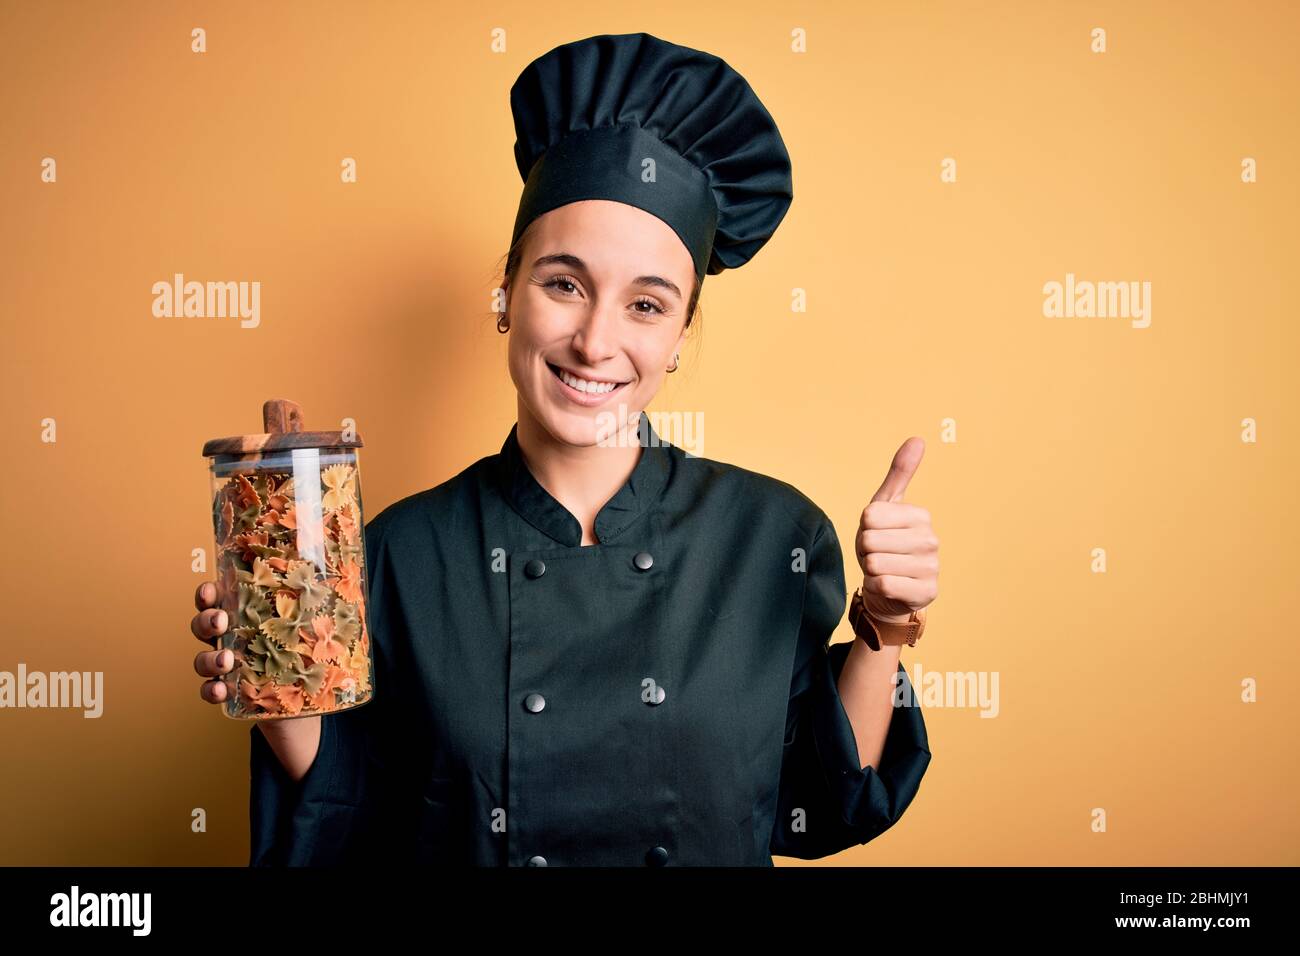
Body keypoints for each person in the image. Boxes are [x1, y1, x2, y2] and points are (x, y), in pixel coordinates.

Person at [189, 31, 939, 866]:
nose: (594, 341)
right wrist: (277, 647)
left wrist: (885, 625)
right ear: (506, 291)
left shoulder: (774, 537)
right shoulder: (401, 555)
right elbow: (352, 814)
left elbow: (822, 802)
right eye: (564, 284)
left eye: (647, 306)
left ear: (681, 336)